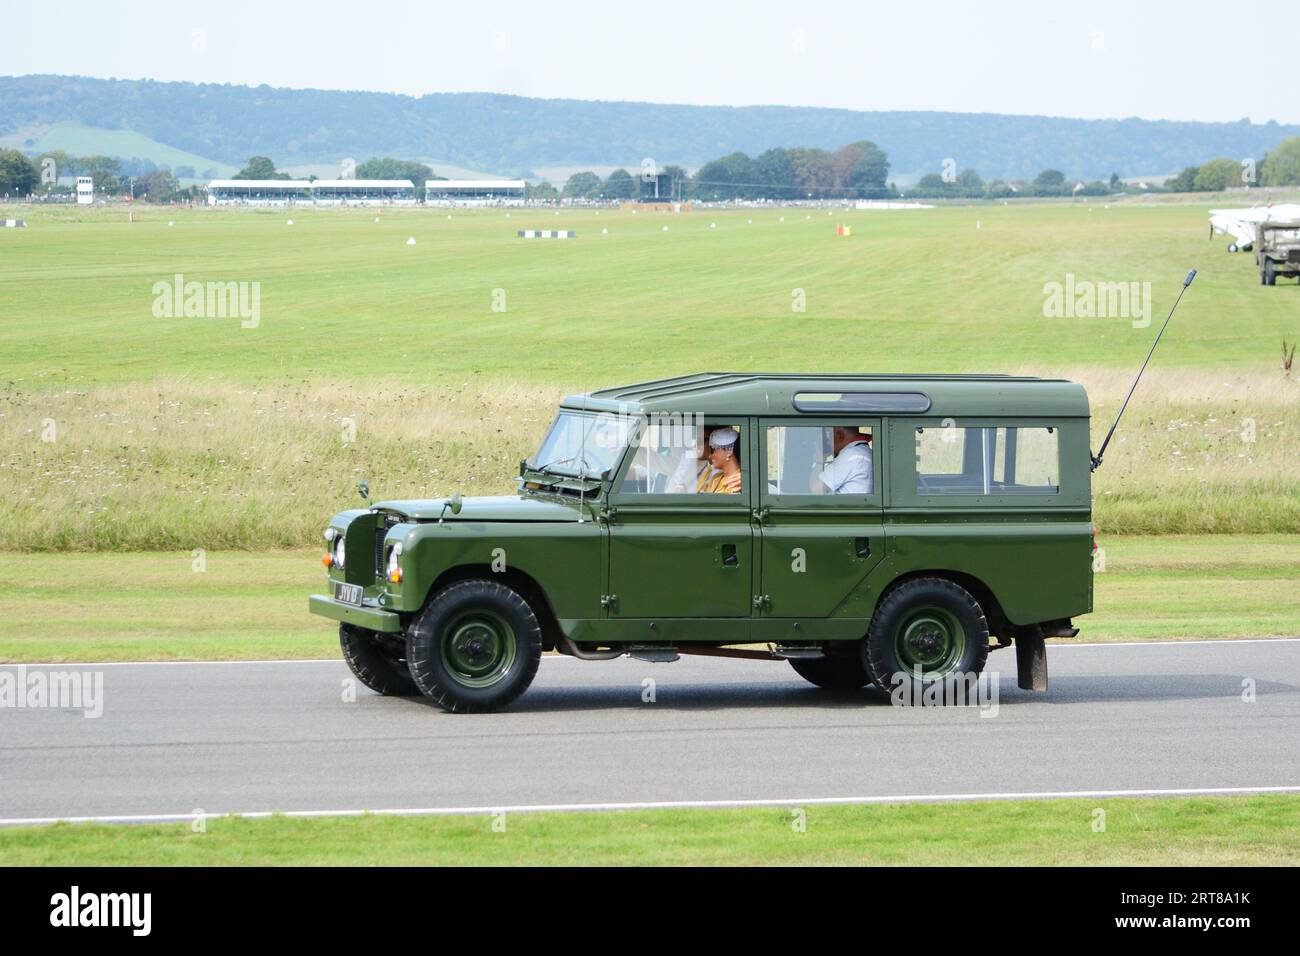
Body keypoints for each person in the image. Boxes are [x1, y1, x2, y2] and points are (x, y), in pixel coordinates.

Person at [811, 426, 872, 494]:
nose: (828, 442)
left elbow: (817, 489)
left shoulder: (851, 455)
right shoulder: (862, 451)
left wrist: (819, 461)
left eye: (829, 435)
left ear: (840, 435)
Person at [696, 427, 743, 494]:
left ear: (728, 452)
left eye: (713, 450)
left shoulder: (739, 481)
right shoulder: (716, 478)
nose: (710, 455)